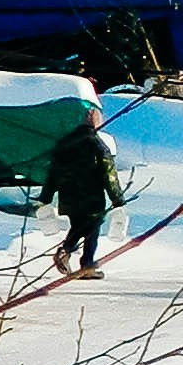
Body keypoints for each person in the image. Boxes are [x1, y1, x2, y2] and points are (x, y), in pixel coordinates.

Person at [45, 100, 120, 277]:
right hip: (91, 196)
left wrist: (45, 197)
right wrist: (118, 199)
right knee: (92, 227)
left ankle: (67, 251)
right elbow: (108, 173)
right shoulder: (97, 145)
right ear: (96, 122)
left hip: (68, 195)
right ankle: (86, 264)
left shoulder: (64, 145)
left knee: (78, 225)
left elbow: (53, 173)